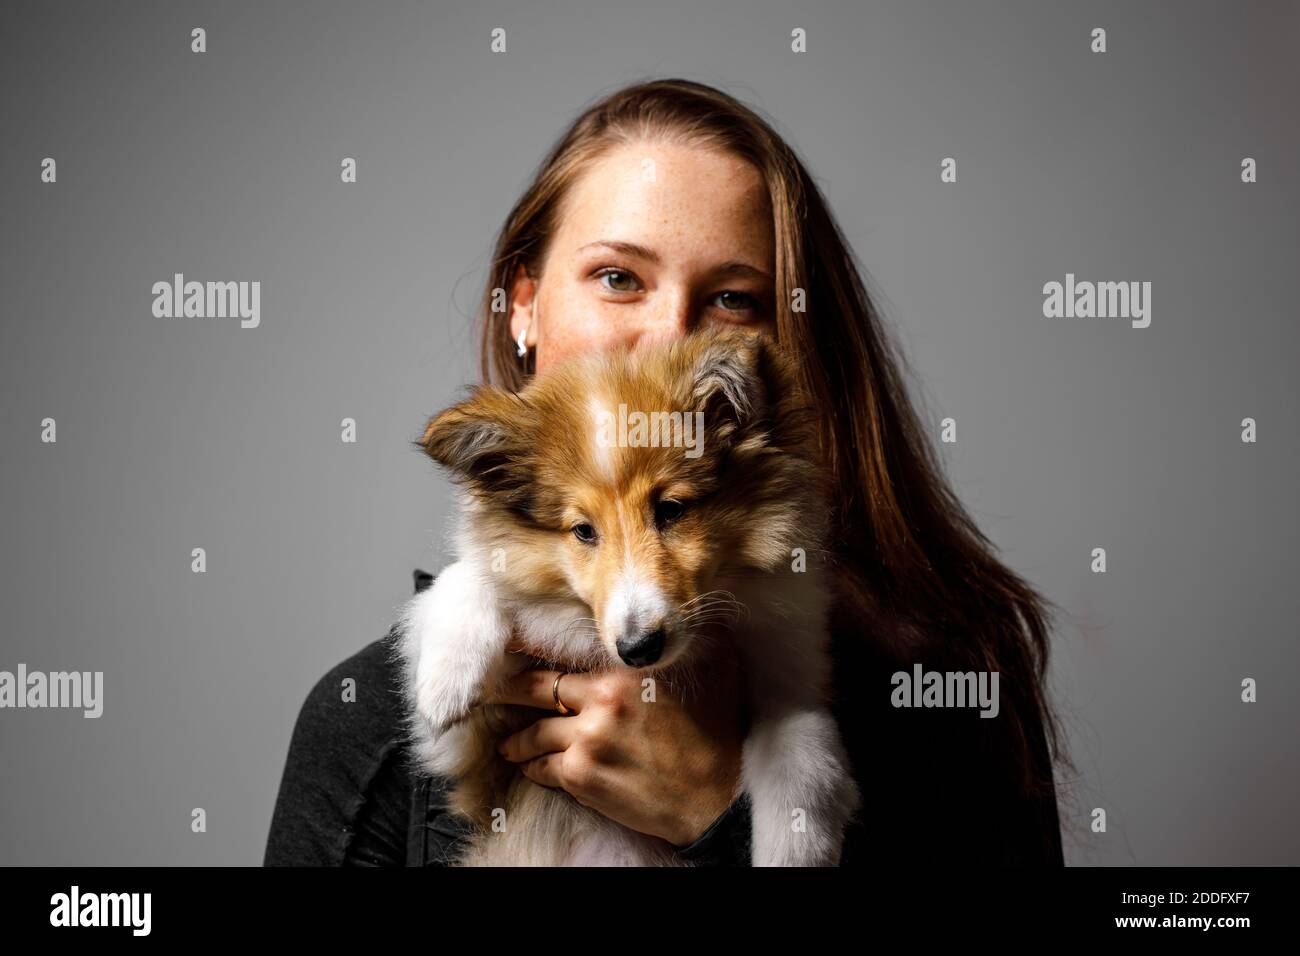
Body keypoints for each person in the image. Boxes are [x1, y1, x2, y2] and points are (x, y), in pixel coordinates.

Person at [264, 77, 1067, 866]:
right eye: (618, 278)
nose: (666, 338)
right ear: (525, 307)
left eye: (732, 299)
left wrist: (714, 815)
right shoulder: (373, 723)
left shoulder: (951, 681)